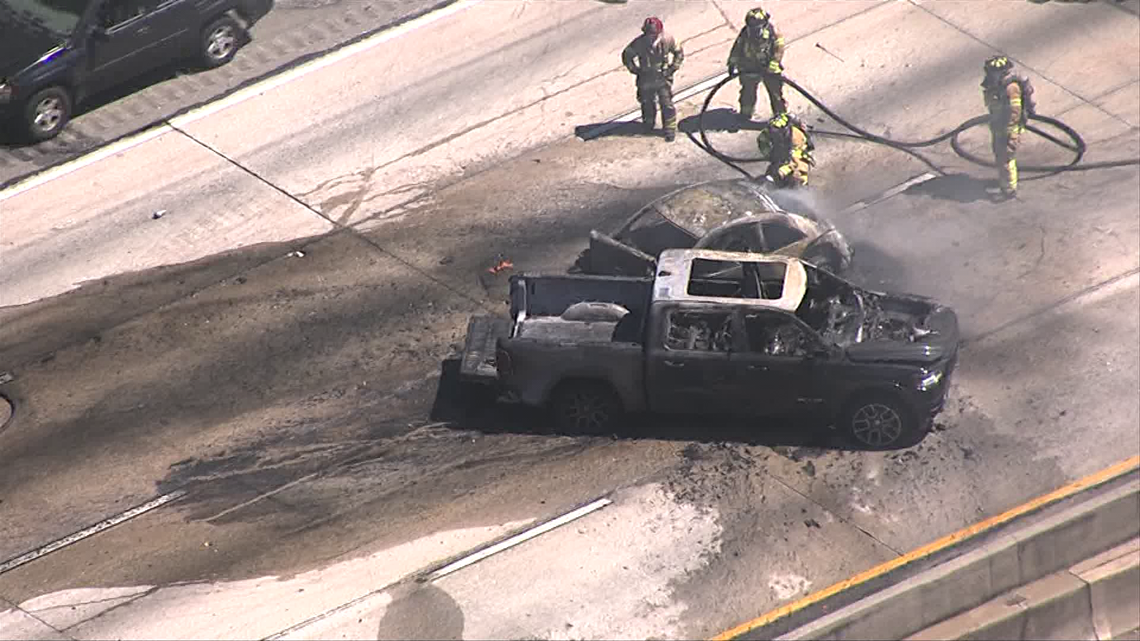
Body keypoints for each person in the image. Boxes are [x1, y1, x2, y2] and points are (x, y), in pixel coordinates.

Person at [622, 16, 685, 142]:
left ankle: (669, 129)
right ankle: (648, 124)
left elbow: (679, 53)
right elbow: (626, 56)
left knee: (666, 104)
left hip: (663, 78)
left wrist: (673, 68)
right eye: (648, 34)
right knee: (647, 103)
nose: (651, 37)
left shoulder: (668, 39)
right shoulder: (639, 43)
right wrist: (635, 70)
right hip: (646, 78)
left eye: (654, 34)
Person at [982, 55, 1036, 201]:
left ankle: (1009, 189)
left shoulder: (1011, 88)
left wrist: (1009, 131)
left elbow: (1014, 112)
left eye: (992, 72)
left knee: (1006, 158)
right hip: (998, 125)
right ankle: (1004, 181)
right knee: (999, 156)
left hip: (1008, 130)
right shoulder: (996, 85)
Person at [727, 7, 787, 121]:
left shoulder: (773, 32)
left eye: (756, 28)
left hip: (768, 68)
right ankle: (745, 114)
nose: (753, 31)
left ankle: (781, 117)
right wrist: (732, 62)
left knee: (776, 95)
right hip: (749, 67)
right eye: (751, 27)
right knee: (747, 93)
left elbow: (779, 49)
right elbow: (738, 47)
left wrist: (774, 64)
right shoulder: (745, 32)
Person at [756, 113, 814, 188]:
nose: (776, 135)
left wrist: (780, 173)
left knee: (796, 178)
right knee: (772, 172)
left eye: (778, 132)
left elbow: (794, 163)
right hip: (782, 159)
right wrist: (770, 154)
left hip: (798, 165)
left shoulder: (796, 137)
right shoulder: (770, 130)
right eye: (773, 132)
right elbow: (762, 140)